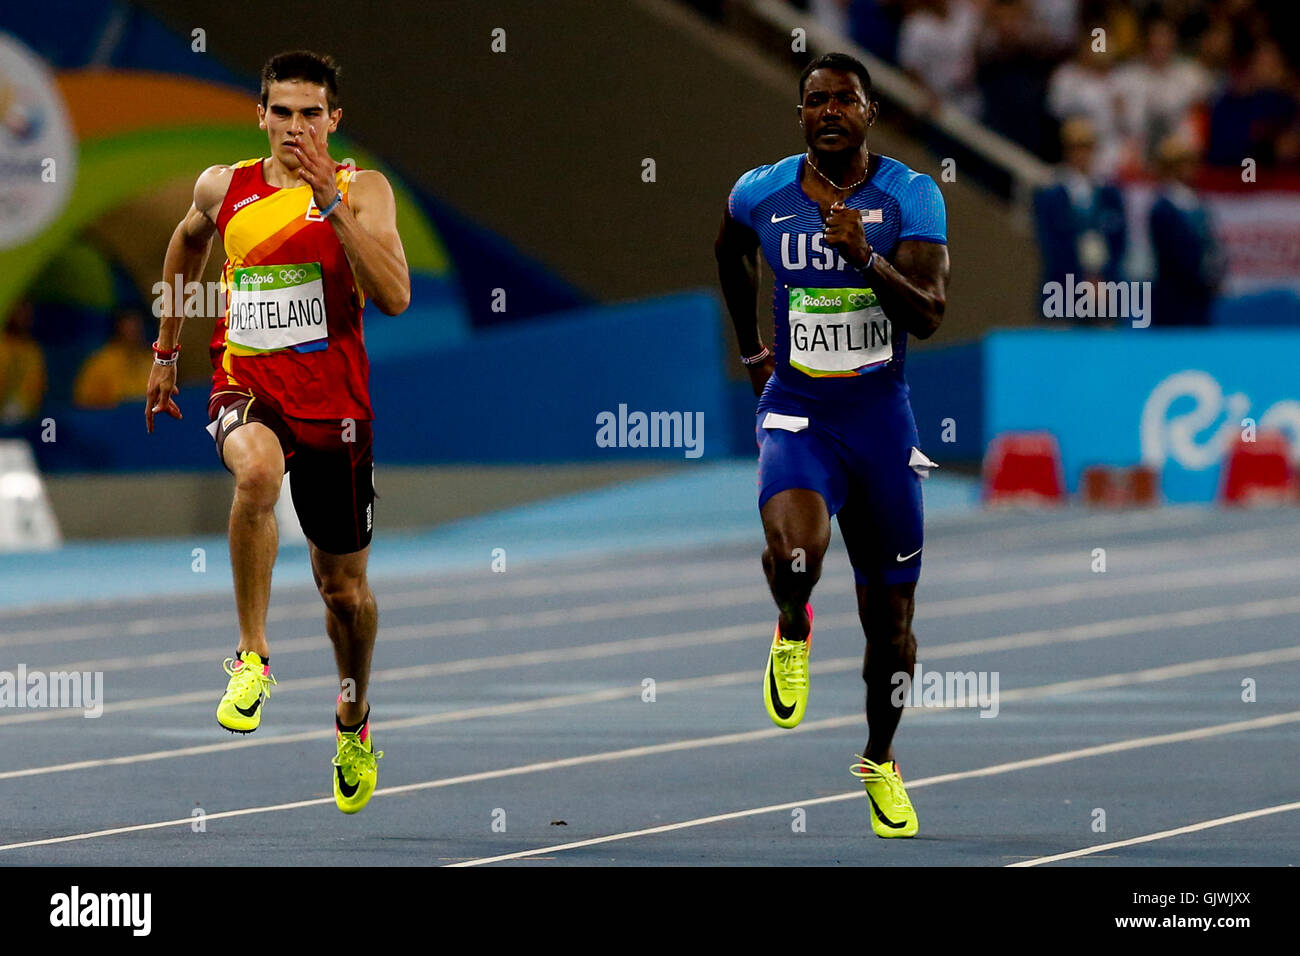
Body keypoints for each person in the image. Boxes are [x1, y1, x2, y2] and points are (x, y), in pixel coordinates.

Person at [145, 50, 410, 814]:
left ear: (334, 119)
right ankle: (252, 657)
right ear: (260, 115)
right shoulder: (224, 187)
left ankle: (353, 719)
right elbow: (187, 241)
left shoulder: (365, 191)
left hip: (337, 412)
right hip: (247, 385)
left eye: (310, 113)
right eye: (282, 112)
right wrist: (167, 349)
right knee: (255, 473)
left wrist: (330, 202)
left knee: (345, 594)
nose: (296, 127)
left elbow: (393, 296)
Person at [715, 52, 949, 838]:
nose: (828, 112)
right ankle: (792, 623)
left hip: (881, 423)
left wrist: (865, 256)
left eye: (844, 99)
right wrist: (752, 350)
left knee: (892, 626)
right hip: (798, 412)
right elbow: (729, 252)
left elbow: (928, 314)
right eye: (815, 101)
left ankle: (880, 761)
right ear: (803, 114)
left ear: (869, 112)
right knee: (796, 554)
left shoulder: (910, 197)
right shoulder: (763, 191)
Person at [1149, 134, 1224, 326]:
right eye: (1184, 164)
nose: (1191, 169)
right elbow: (1173, 254)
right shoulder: (1163, 207)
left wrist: (1214, 273)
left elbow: (1211, 241)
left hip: (1199, 294)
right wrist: (1200, 276)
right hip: (1175, 295)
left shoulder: (1197, 203)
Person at [73, 308, 155, 409]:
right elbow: (82, 405)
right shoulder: (100, 363)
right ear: (118, 328)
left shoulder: (153, 361)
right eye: (130, 326)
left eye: (138, 325)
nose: (135, 330)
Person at [0, 301, 47, 424]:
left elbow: (37, 389)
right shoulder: (3, 346)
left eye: (27, 310)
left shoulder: (32, 351)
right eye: (19, 310)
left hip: (23, 420)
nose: (24, 315)